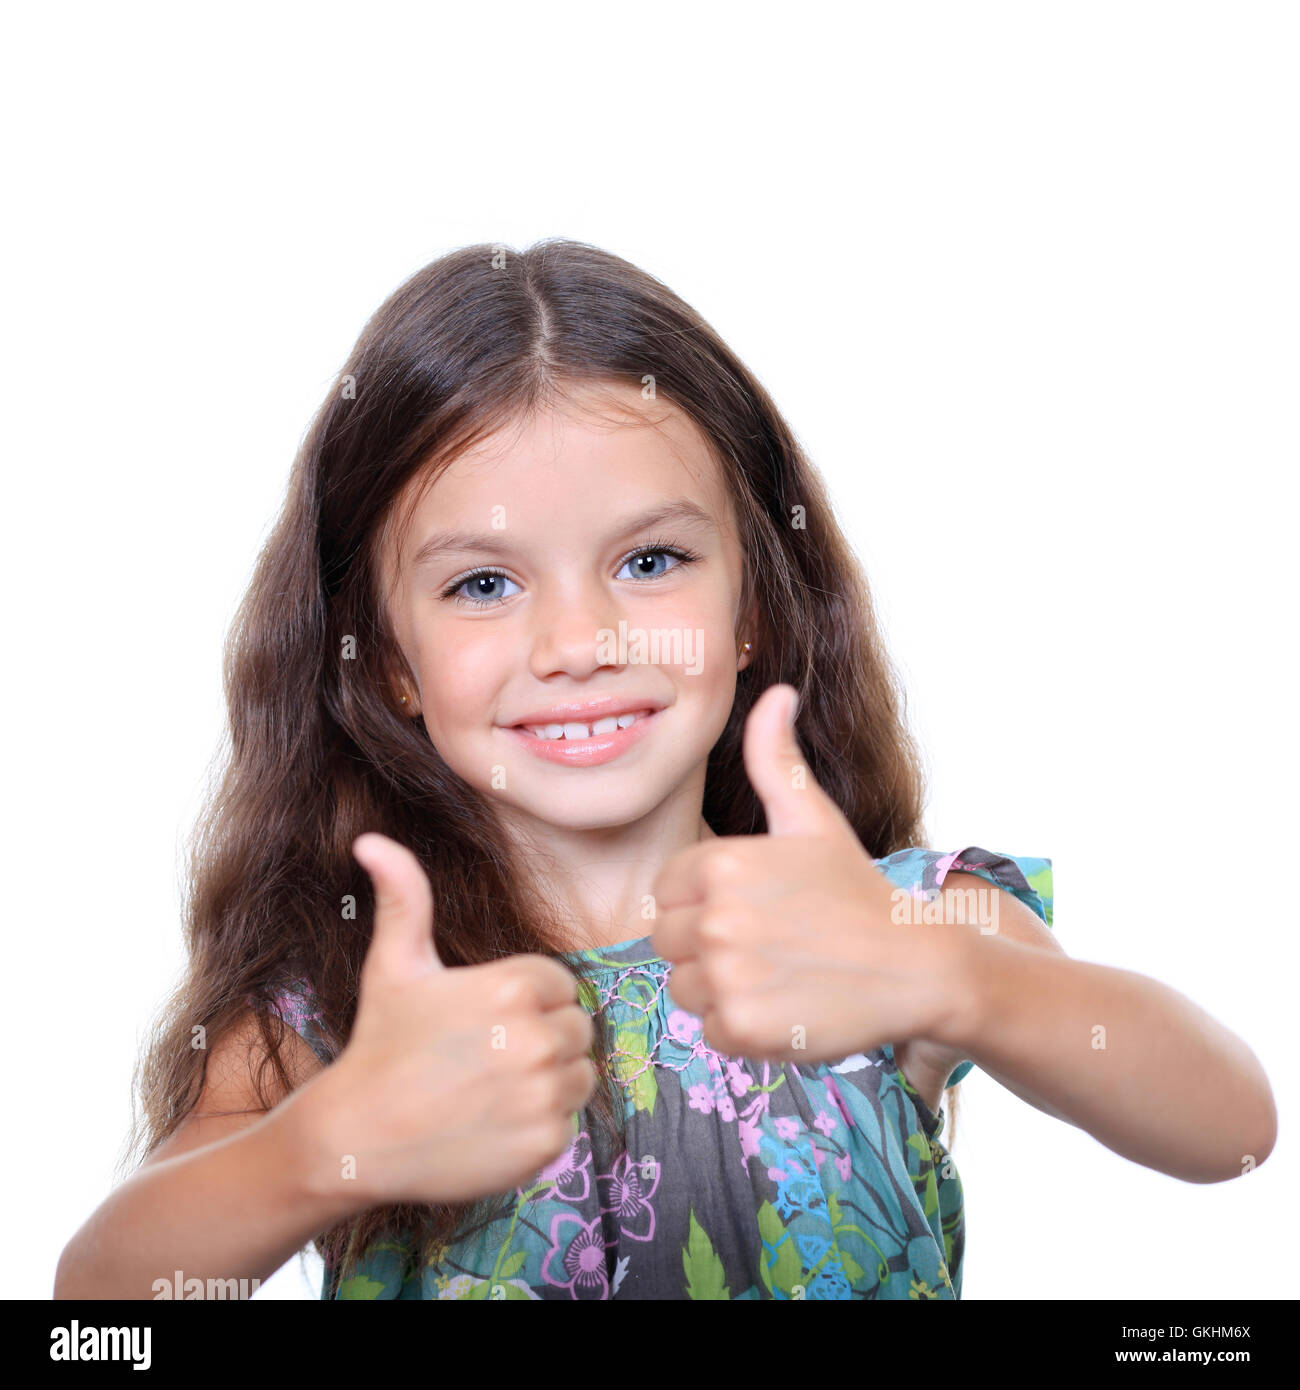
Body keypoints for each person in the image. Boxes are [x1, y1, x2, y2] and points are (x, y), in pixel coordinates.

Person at [55, 239, 1275, 1301]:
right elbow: (99, 1307)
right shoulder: (345, 1006)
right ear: (389, 667)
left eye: (649, 561)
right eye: (483, 584)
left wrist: (951, 977)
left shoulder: (888, 923)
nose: (580, 644)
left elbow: (1230, 1131)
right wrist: (326, 1146)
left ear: (752, 607)